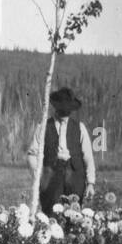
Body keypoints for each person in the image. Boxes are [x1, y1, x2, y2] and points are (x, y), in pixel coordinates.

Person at [27, 86, 96, 215]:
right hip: (50, 177)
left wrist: (91, 182)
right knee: (51, 214)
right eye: (63, 107)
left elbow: (88, 158)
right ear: (56, 107)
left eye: (69, 108)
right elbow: (32, 154)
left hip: (75, 177)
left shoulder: (80, 128)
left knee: (74, 216)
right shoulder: (43, 127)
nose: (66, 111)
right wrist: (39, 177)